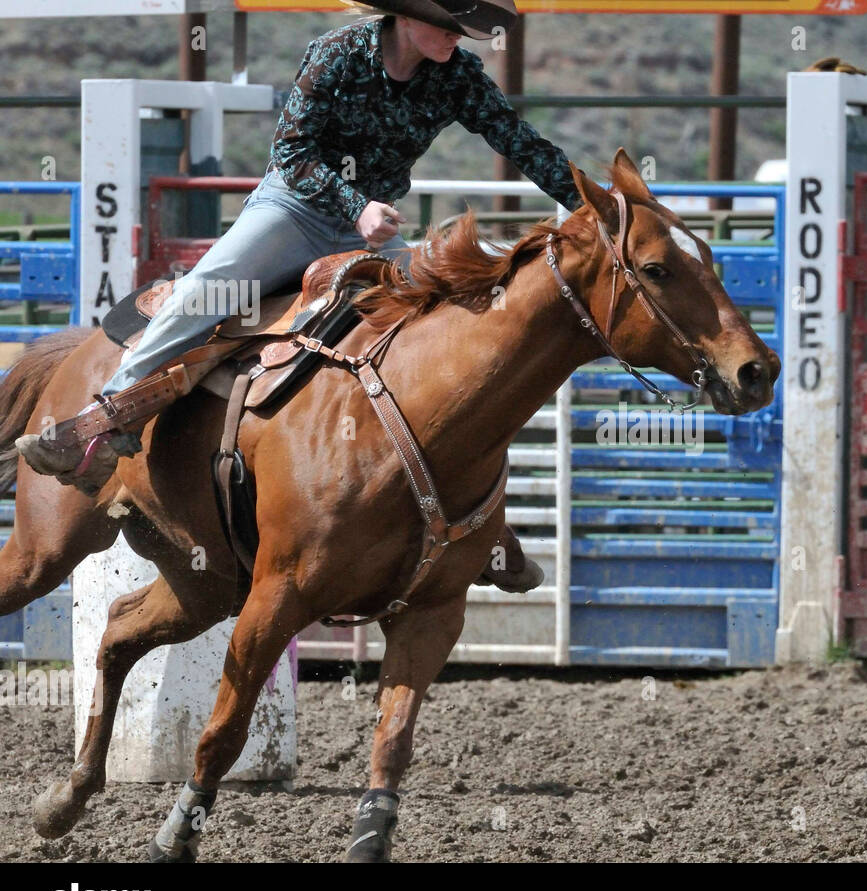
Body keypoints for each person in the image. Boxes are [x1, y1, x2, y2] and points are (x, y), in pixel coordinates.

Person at [18, 0, 578, 591]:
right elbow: (292, 151)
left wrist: (595, 202)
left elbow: (520, 141)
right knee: (206, 296)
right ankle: (101, 421)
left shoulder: (457, 75)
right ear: (407, 18)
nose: (458, 38)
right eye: (448, 26)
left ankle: (487, 522)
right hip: (294, 210)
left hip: (373, 229)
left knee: (450, 313)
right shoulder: (336, 53)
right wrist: (356, 206)